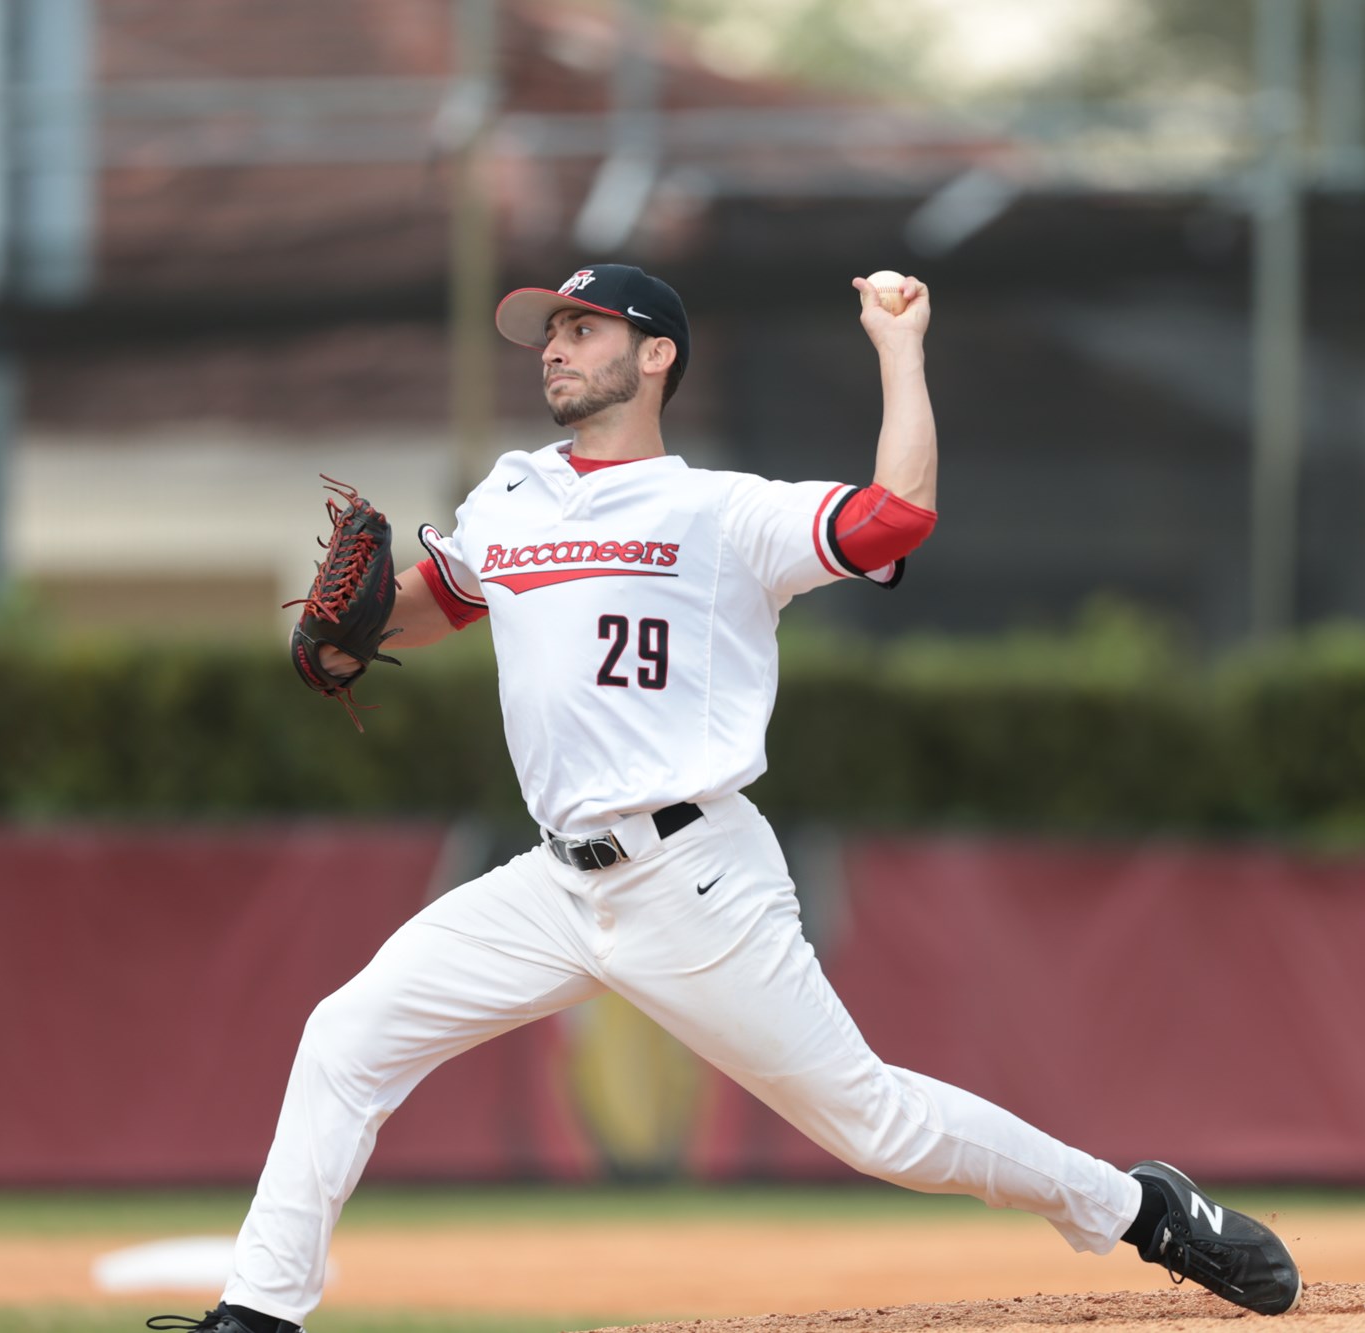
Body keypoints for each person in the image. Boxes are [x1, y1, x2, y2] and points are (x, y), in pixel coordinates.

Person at [148, 264, 1301, 1333]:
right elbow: (428, 605)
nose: (554, 347)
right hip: (552, 882)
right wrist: (340, 644)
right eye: (548, 330)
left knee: (877, 1125)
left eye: (581, 327)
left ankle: (1141, 1208)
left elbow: (895, 518)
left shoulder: (721, 512)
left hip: (692, 878)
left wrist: (898, 349)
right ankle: (257, 1315)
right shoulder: (511, 495)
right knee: (347, 1035)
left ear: (655, 357)